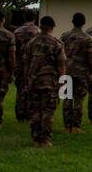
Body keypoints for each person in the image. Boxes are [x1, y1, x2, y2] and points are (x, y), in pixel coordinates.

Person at [23, 16, 67, 147]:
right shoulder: (57, 43)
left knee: (35, 110)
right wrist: (63, 83)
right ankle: (45, 139)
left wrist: (27, 80)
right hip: (50, 82)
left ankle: (36, 138)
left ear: (41, 26)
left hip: (34, 81)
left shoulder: (31, 43)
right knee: (48, 111)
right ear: (52, 27)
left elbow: (26, 63)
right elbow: (61, 65)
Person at [60, 12, 92, 134]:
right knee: (78, 99)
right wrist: (91, 72)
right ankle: (76, 126)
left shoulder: (64, 36)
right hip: (81, 73)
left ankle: (66, 126)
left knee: (67, 98)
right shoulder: (88, 38)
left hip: (66, 71)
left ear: (72, 21)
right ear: (84, 23)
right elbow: (90, 58)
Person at [12, 10, 40, 123]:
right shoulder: (38, 31)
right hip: (33, 64)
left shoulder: (17, 32)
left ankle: (20, 114)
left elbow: (13, 50)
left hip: (19, 64)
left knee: (20, 89)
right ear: (35, 18)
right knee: (31, 90)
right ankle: (29, 113)